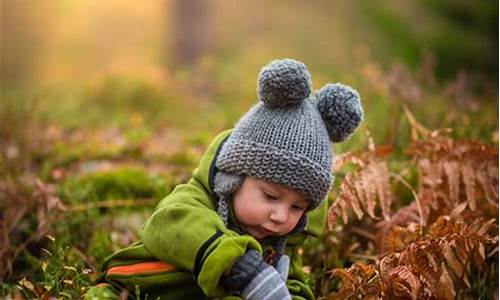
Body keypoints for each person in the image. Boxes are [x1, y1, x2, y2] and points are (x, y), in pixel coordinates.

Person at [85, 58, 363, 300]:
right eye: (270, 196)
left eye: (297, 207)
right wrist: (240, 266)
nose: (280, 216)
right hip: (131, 288)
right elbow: (168, 224)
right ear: (233, 178)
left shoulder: (280, 243)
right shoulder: (194, 201)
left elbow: (292, 284)